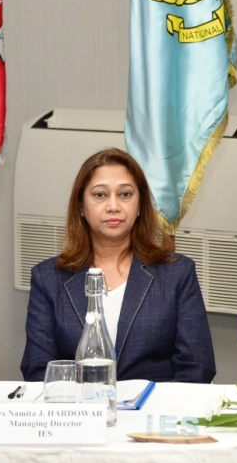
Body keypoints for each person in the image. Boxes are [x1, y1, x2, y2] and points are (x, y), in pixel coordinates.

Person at [21, 148, 216, 383]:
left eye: (125, 194)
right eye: (100, 195)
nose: (113, 206)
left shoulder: (177, 273)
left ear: (140, 204)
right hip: (78, 405)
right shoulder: (47, 278)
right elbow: (38, 370)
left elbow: (197, 367)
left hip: (155, 404)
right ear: (81, 206)